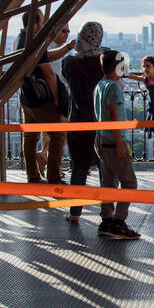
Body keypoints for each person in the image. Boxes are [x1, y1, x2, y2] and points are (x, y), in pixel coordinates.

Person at [58, 21, 106, 224]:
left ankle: (75, 212)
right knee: (105, 169)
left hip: (78, 120)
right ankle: (107, 213)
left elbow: (64, 81)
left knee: (79, 167)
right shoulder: (104, 60)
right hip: (101, 121)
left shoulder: (69, 62)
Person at [17, 12, 74, 184]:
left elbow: (47, 56)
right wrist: (57, 100)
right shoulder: (34, 41)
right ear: (36, 22)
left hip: (27, 96)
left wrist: (67, 47)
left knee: (30, 137)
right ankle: (53, 175)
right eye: (42, 20)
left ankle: (33, 175)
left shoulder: (21, 39)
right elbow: (49, 74)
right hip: (42, 98)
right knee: (58, 135)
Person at [93, 50, 140, 240]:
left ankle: (106, 220)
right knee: (129, 182)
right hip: (113, 140)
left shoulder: (100, 85)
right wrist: (120, 144)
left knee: (108, 181)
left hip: (101, 139)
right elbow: (114, 117)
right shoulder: (113, 88)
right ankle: (119, 223)